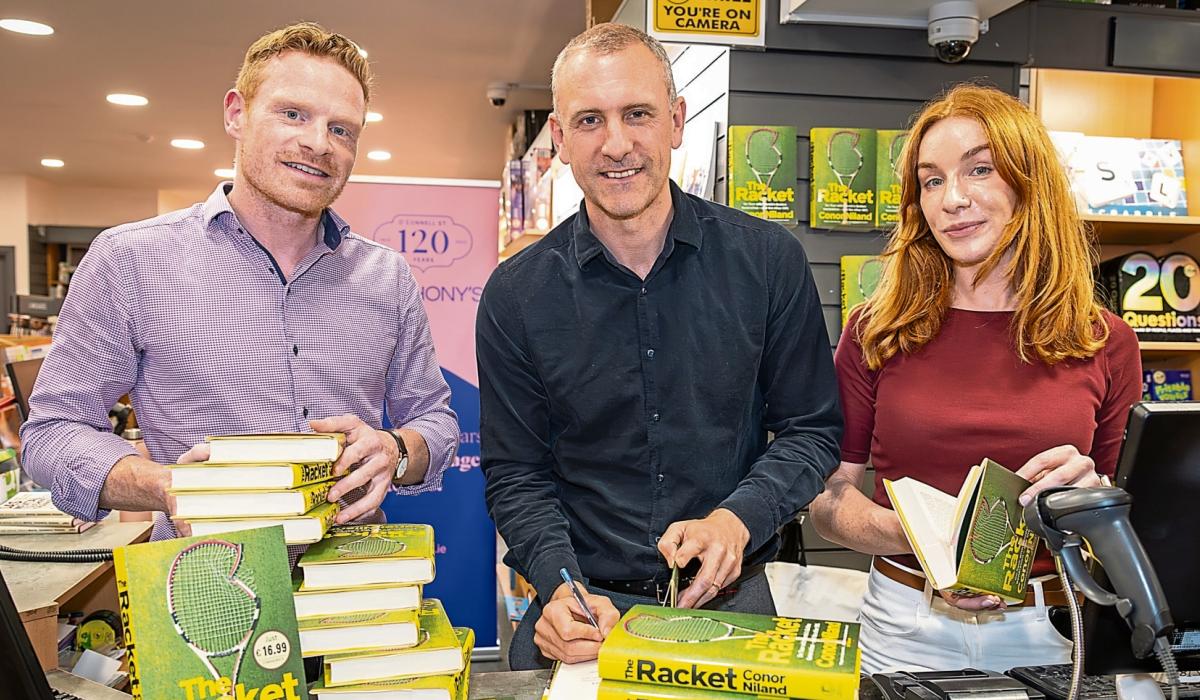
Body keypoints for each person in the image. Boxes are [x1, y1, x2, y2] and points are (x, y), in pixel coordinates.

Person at [477, 23, 842, 670]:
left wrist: (736, 520)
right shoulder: (516, 295)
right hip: (585, 612)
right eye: (590, 120)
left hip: (740, 606)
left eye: (638, 114)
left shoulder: (769, 262)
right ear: (559, 139)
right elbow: (516, 474)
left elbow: (811, 432)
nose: (617, 144)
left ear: (675, 121)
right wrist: (558, 584)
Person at [20, 22, 458, 543]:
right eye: (293, 114)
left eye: (342, 130)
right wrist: (166, 484)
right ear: (236, 113)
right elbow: (51, 435)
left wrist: (395, 449)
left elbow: (435, 419)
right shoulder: (129, 261)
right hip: (203, 581)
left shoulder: (387, 276)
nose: (318, 143)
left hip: (351, 587)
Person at [808, 84, 1142, 673]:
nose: (952, 199)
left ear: (1028, 184)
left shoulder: (1105, 340)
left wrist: (1087, 499)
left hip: (1053, 630)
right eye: (931, 180)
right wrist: (932, 542)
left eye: (979, 169)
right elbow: (829, 502)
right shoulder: (874, 331)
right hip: (904, 626)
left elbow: (1128, 513)